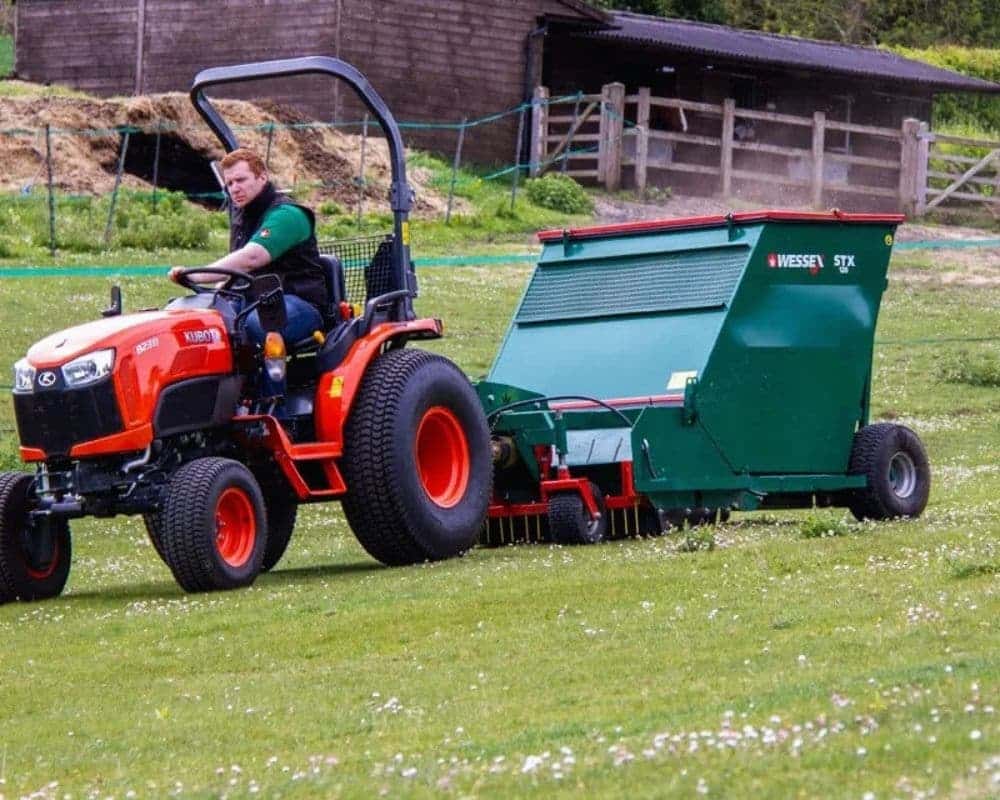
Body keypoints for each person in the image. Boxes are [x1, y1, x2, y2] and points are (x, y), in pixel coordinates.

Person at [169, 147, 328, 345]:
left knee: (256, 323)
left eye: (241, 180)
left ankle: (269, 376)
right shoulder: (243, 217)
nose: (234, 188)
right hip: (253, 298)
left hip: (298, 301)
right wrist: (215, 295)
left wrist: (195, 275)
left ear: (262, 177)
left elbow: (251, 258)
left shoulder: (288, 214)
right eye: (229, 183)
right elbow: (234, 269)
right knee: (192, 321)